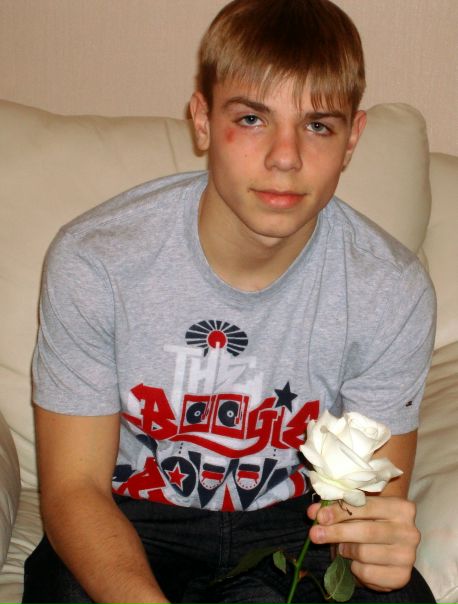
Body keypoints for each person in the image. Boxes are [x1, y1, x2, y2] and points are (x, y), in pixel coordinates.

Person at [23, 1, 437, 603]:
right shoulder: (97, 261)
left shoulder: (389, 289)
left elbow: (368, 504)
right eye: (251, 118)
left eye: (318, 126)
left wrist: (375, 547)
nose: (285, 157)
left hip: (298, 526)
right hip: (131, 517)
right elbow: (73, 488)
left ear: (353, 139)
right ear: (202, 121)